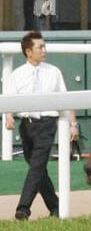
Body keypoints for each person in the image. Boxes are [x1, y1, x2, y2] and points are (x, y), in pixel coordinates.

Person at [2, 31, 77, 220]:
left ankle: (23, 209)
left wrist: (73, 124)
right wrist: (9, 116)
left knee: (36, 166)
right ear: (28, 51)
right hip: (27, 126)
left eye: (44, 46)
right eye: (40, 47)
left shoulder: (53, 72)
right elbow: (9, 99)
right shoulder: (17, 75)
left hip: (47, 124)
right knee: (39, 169)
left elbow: (66, 99)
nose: (44, 50)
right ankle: (56, 207)